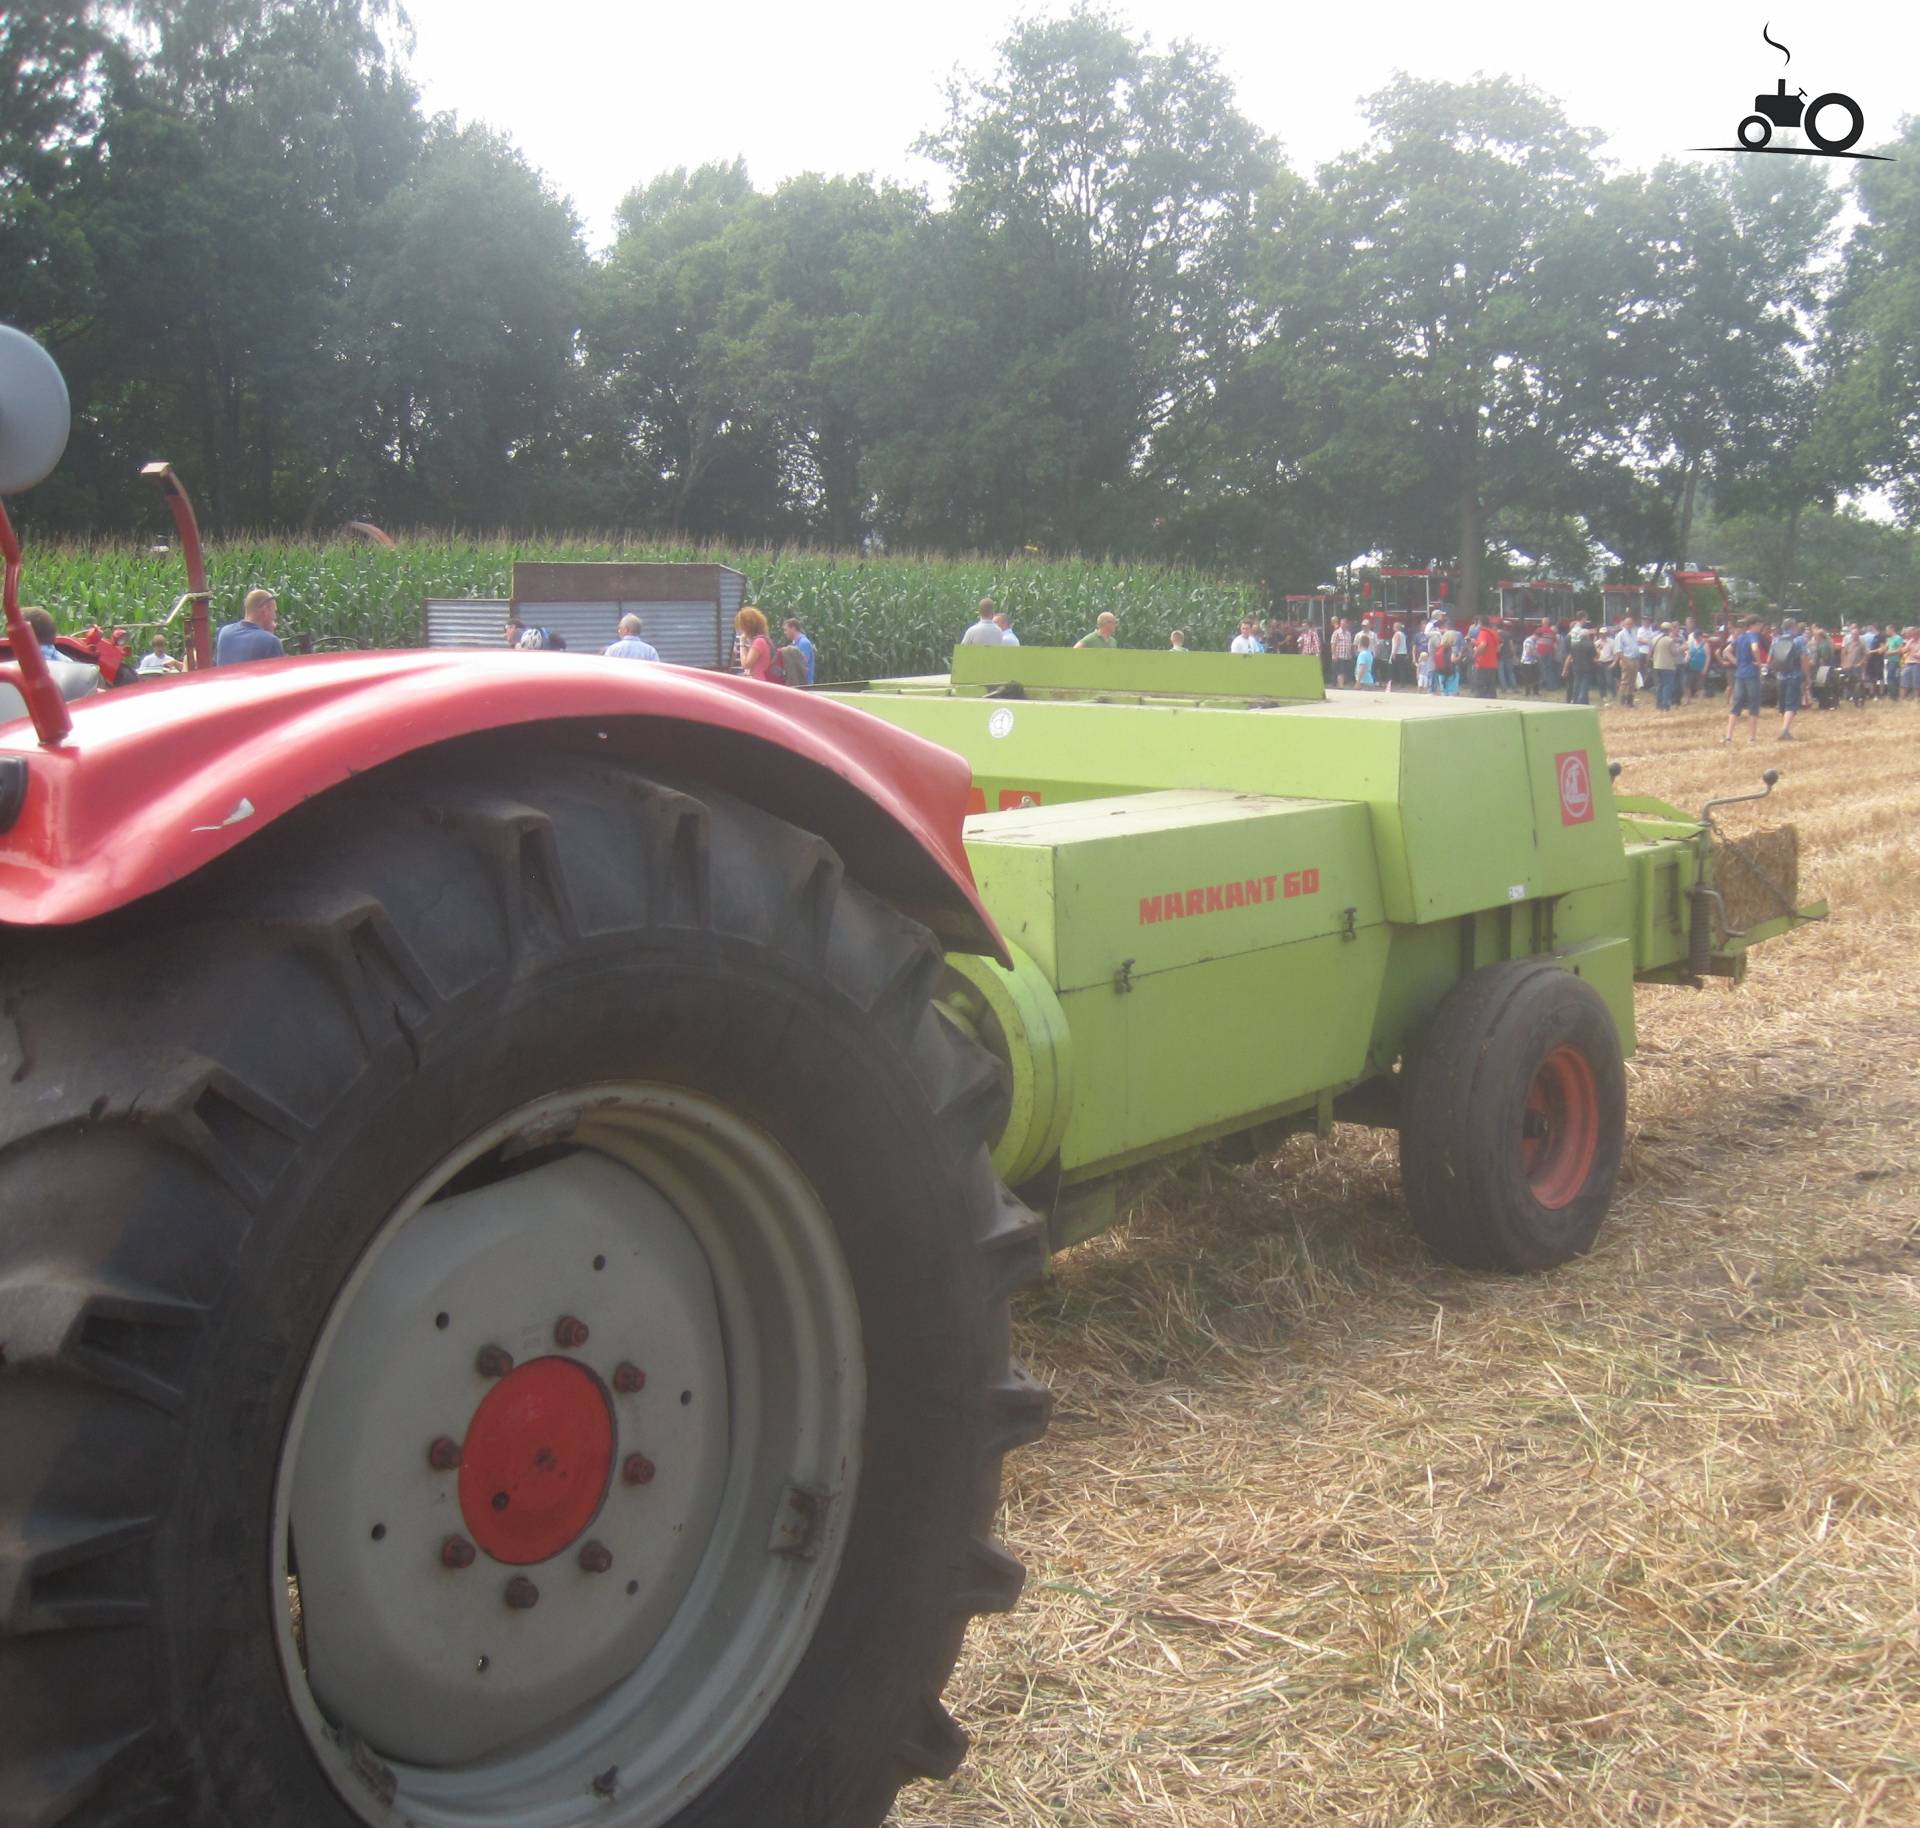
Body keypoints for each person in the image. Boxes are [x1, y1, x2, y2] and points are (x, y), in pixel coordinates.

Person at [1723, 616, 1766, 745]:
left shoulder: (1740, 637)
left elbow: (1726, 651)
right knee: (1753, 705)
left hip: (1740, 674)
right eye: (1759, 624)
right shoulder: (1753, 636)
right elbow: (1754, 648)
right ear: (1752, 625)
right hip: (1751, 674)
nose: (1760, 627)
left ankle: (1729, 736)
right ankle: (1752, 738)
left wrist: (1738, 662)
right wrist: (1759, 663)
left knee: (1736, 706)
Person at [217, 588, 285, 664]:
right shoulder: (271, 641)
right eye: (274, 611)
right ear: (265, 610)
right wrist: (270, 634)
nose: (275, 617)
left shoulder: (224, 632)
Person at [1772, 618, 1807, 740]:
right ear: (1793, 627)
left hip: (1780, 676)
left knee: (1783, 705)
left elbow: (1770, 660)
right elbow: (1804, 659)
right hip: (1794, 675)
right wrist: (1807, 676)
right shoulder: (1799, 640)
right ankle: (1785, 730)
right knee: (1791, 704)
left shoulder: (1775, 640)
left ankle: (1784, 726)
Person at [735, 606, 775, 681]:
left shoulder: (758, 642)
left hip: (757, 680)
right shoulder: (762, 640)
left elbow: (746, 664)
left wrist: (742, 642)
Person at [1650, 623, 1679, 710]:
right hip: (1667, 666)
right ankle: (1665, 703)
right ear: (1669, 630)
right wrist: (1682, 648)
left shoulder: (1654, 639)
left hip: (1656, 665)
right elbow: (1675, 653)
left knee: (1659, 685)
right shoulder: (1669, 640)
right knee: (1667, 685)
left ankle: (1658, 704)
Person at [1471, 616, 1501, 697]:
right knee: (1491, 688)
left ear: (1480, 623)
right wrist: (1476, 643)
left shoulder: (1483, 632)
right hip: (1492, 663)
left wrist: (1474, 655)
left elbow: (1483, 644)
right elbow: (1497, 648)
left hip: (1482, 663)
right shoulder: (1493, 633)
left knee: (1480, 687)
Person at [1329, 617, 1354, 687]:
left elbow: (1349, 644)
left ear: (1347, 624)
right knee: (1340, 671)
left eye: (1344, 624)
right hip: (1338, 655)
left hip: (1346, 656)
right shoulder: (1336, 633)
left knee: (1345, 671)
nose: (1343, 625)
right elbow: (1333, 644)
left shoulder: (1348, 633)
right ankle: (1340, 685)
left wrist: (1350, 654)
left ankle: (1341, 684)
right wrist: (1334, 655)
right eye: (1341, 624)